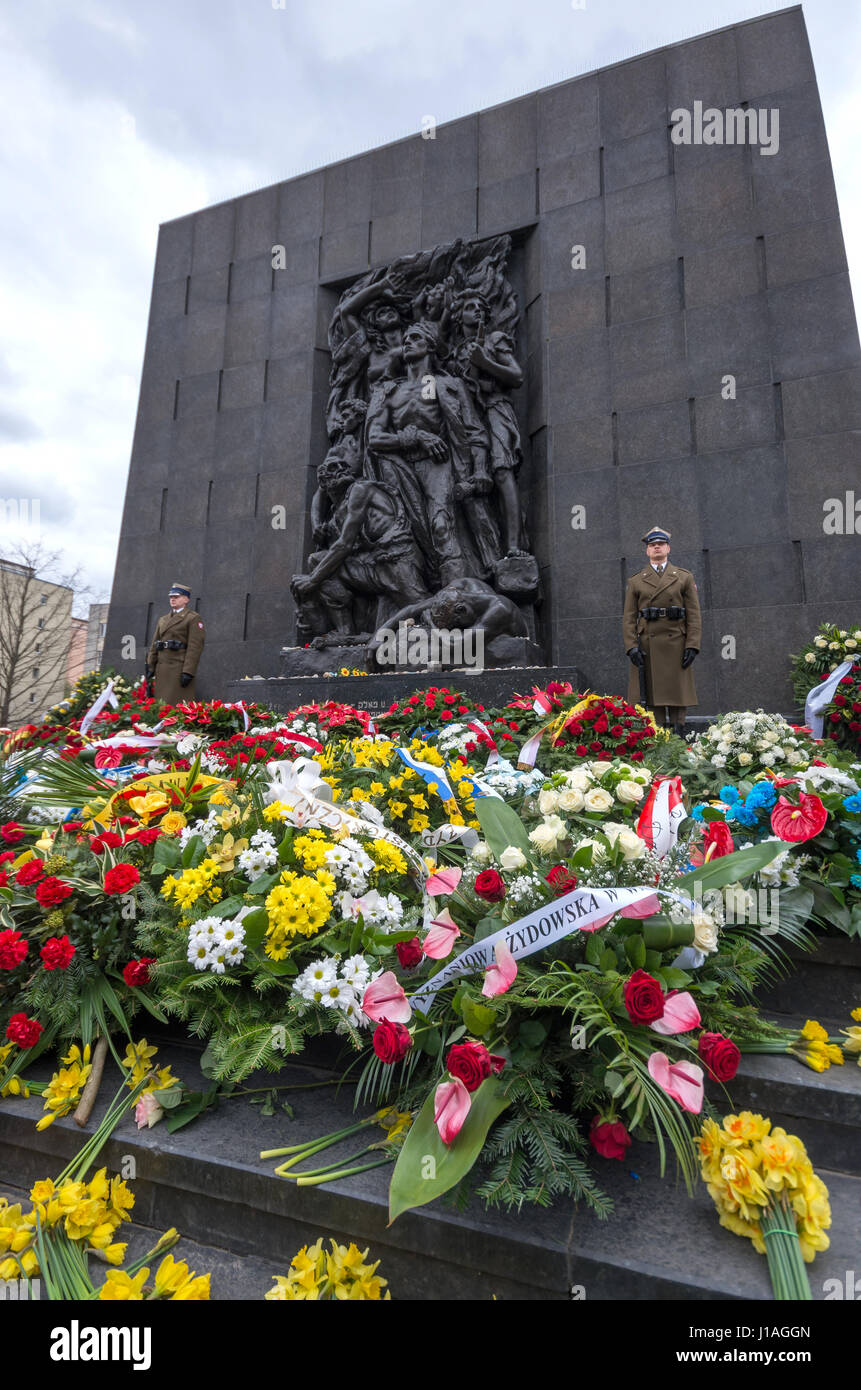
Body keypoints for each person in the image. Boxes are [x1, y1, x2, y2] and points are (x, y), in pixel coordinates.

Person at [622, 527, 701, 736]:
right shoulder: (636, 581)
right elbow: (629, 617)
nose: (656, 547)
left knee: (677, 696)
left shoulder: (683, 577)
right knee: (652, 698)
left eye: (660, 544)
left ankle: (679, 736)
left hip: (677, 643)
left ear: (668, 548)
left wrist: (692, 645)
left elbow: (694, 615)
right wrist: (631, 647)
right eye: (651, 545)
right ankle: (658, 740)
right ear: (647, 551)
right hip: (648, 645)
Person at [146, 584, 206, 704]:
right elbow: (155, 644)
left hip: (178, 669)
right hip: (161, 669)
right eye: (171, 597)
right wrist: (150, 665)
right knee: (160, 707)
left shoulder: (192, 618)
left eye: (176, 597)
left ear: (186, 599)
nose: (172, 599)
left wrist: (188, 671)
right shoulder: (163, 619)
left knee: (175, 706)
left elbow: (195, 647)